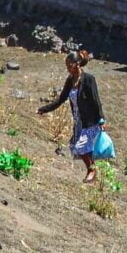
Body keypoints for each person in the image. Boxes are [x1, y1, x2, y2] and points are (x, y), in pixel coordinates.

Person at [39, 50, 107, 181]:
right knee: (75, 145)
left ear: (77, 64)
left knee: (80, 146)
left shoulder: (88, 79)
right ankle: (93, 169)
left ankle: (92, 170)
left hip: (90, 119)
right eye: (66, 66)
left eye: (70, 65)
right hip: (78, 120)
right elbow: (61, 99)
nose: (68, 69)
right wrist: (44, 109)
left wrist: (101, 119)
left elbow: (95, 100)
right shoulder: (70, 80)